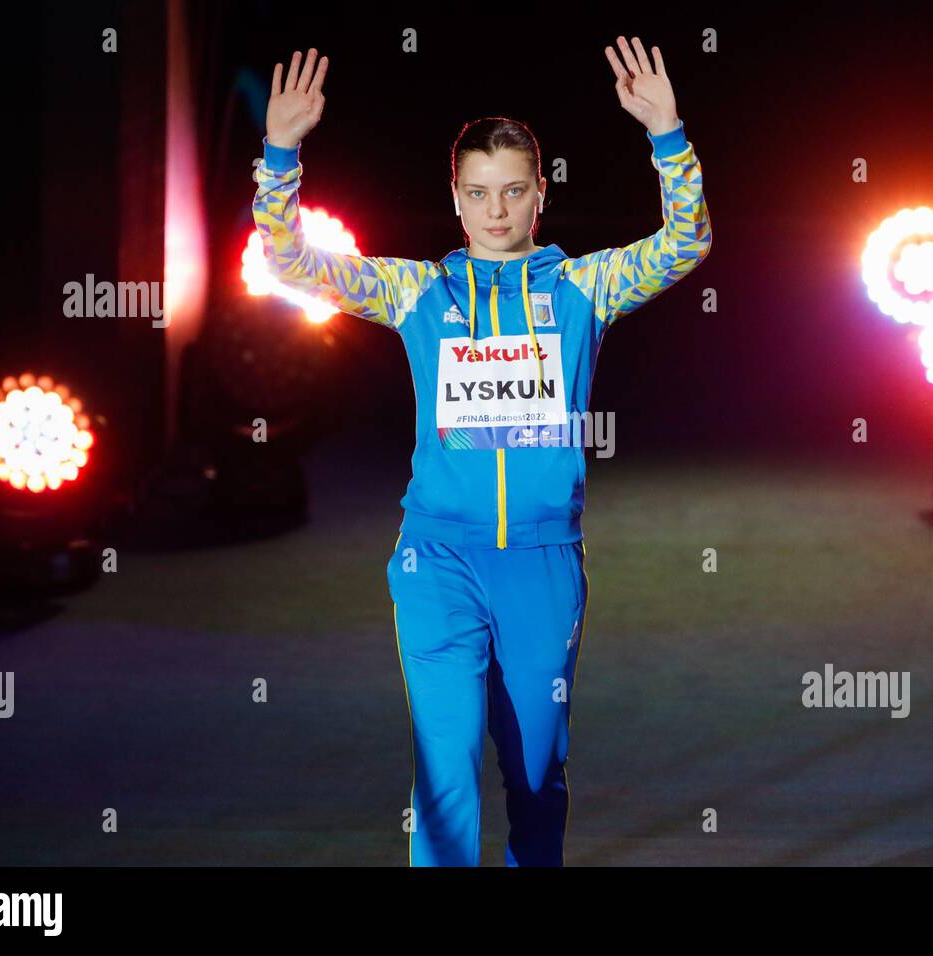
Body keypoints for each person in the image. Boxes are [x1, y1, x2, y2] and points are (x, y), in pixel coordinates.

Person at [252, 37, 711, 866]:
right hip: (438, 561)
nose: (494, 211)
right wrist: (281, 153)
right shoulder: (416, 290)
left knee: (536, 777)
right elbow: (286, 260)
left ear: (541, 194)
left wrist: (668, 135)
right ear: (455, 199)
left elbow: (687, 243)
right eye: (477, 193)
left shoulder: (584, 288)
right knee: (445, 771)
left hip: (541, 564)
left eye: (511, 191)